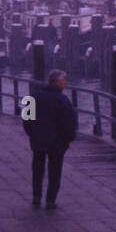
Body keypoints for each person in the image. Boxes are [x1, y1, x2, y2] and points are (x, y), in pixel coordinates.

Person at [23, 69, 78, 209]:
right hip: (57, 142)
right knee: (55, 170)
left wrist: (32, 134)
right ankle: (50, 199)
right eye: (64, 80)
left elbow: (26, 119)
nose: (65, 83)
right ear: (57, 82)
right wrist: (68, 139)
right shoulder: (63, 100)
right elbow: (70, 123)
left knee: (37, 168)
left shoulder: (33, 96)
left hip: (38, 140)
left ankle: (36, 196)